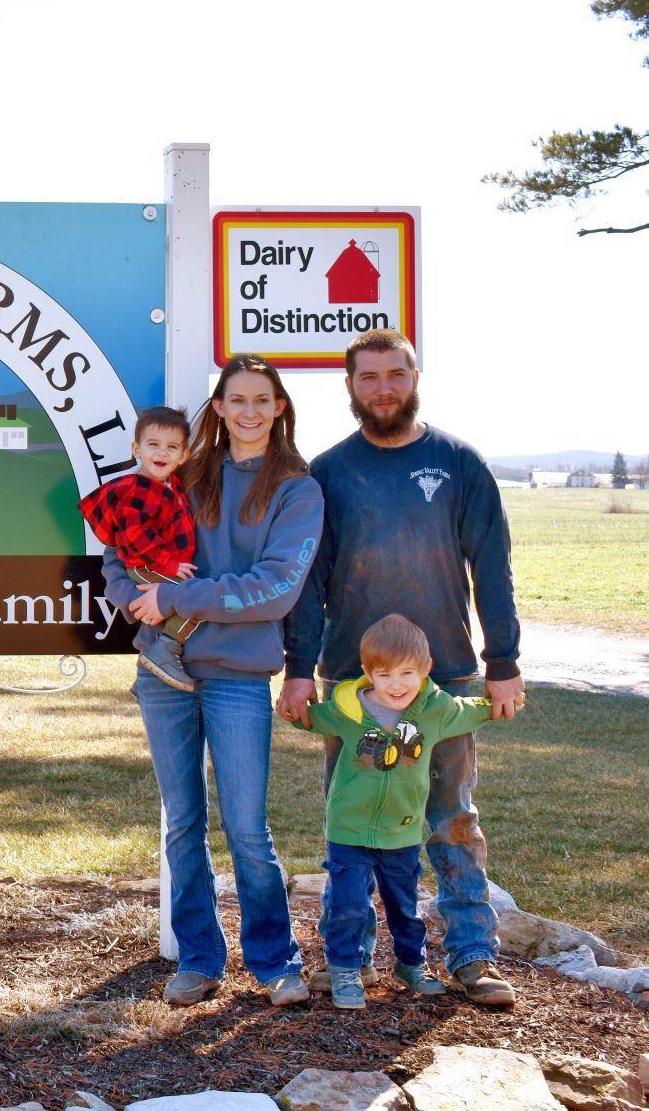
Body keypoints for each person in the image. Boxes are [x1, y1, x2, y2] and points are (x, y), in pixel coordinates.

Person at [279, 328, 524, 1008]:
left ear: (416, 377)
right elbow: (307, 580)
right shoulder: (327, 472)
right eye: (369, 378)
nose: (383, 388)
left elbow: (492, 568)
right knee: (352, 824)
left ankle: (472, 957)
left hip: (443, 675)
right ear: (350, 386)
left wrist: (503, 659)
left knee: (451, 821)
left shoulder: (460, 464)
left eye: (396, 375)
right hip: (351, 685)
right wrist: (300, 668)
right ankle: (345, 959)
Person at [103, 353, 323, 1007]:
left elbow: (275, 590)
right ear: (219, 409)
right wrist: (130, 595)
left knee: (248, 828)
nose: (249, 410)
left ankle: (275, 962)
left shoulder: (295, 489)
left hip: (238, 673)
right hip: (162, 671)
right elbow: (123, 542)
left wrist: (177, 599)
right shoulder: (186, 472)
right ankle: (198, 959)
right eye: (237, 399)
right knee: (182, 822)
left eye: (263, 399)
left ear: (279, 408)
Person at [297, 615, 498, 1010]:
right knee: (348, 903)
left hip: (401, 834)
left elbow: (469, 710)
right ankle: (344, 968)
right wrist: (292, 708)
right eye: (384, 674)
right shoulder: (349, 710)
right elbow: (311, 718)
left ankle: (411, 964)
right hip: (348, 832)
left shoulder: (435, 710)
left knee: (404, 907)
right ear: (368, 673)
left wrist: (499, 703)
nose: (396, 684)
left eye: (407, 673)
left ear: (425, 671)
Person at [80, 405, 201, 691]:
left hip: (159, 565)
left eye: (172, 447)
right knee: (196, 602)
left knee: (186, 602)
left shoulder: (172, 485)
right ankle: (165, 651)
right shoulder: (137, 490)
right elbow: (136, 538)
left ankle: (146, 678)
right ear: (137, 449)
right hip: (145, 567)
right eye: (153, 445)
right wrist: (169, 566)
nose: (161, 453)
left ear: (184, 455)